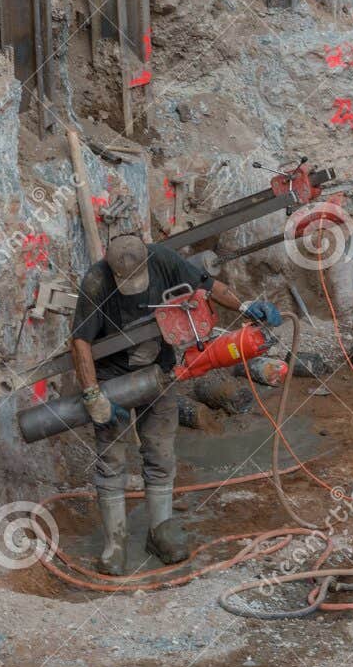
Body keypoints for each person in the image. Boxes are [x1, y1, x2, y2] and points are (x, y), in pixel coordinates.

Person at [70, 232, 280, 575]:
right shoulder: (96, 280)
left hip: (159, 371)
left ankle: (161, 532)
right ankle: (115, 543)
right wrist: (93, 394)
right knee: (111, 459)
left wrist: (244, 307)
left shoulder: (164, 260)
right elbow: (79, 342)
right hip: (112, 380)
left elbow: (209, 286)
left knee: (161, 453)